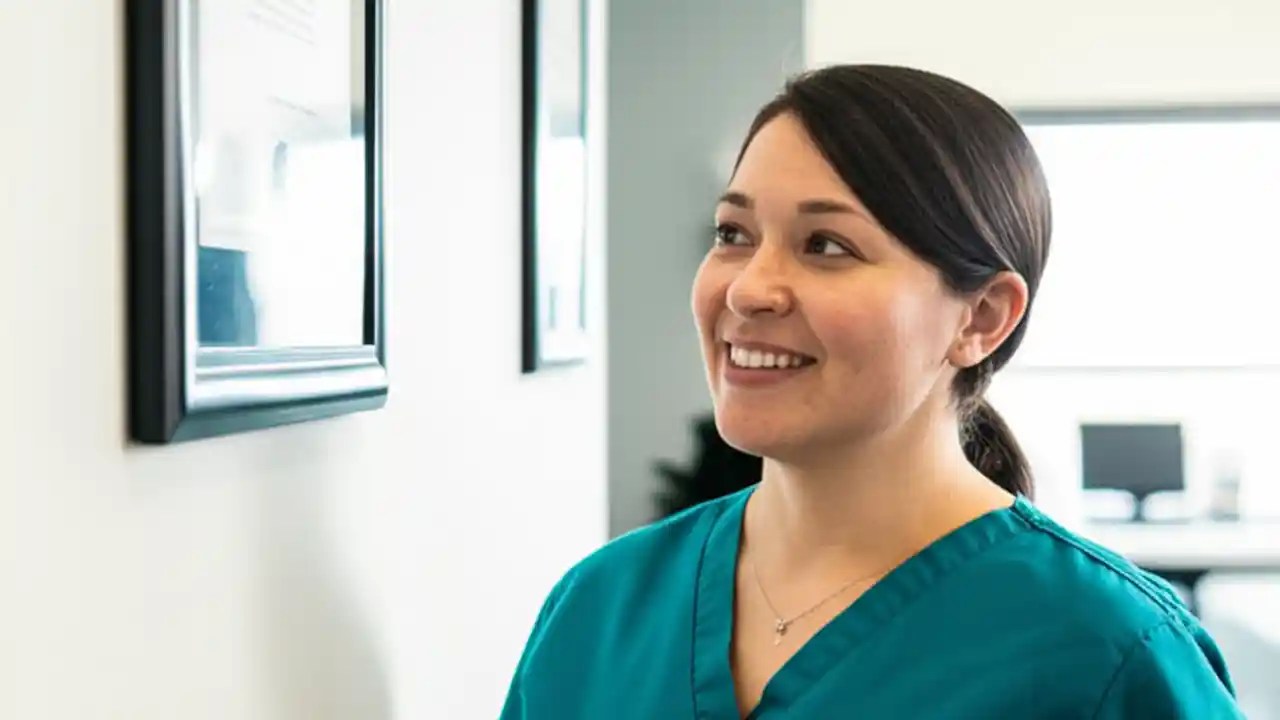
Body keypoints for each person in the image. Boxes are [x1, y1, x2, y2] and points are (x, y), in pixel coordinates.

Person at [500, 65, 1243, 719]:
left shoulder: (1107, 651)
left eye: (827, 246)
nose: (751, 288)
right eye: (733, 234)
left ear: (981, 318)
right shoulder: (602, 610)